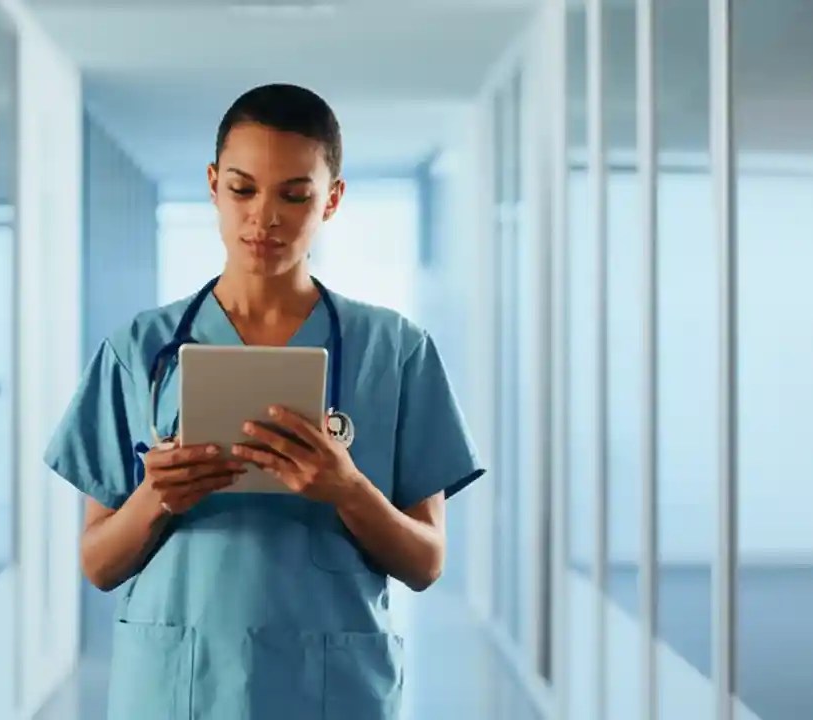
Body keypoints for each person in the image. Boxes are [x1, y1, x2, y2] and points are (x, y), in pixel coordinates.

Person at [43, 83, 485, 720]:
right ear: (213, 185)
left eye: (295, 194)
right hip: (178, 688)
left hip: (331, 690)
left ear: (331, 199)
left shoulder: (396, 352)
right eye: (243, 189)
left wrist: (347, 489)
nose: (264, 217)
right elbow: (98, 563)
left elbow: (426, 562)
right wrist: (157, 496)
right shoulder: (140, 351)